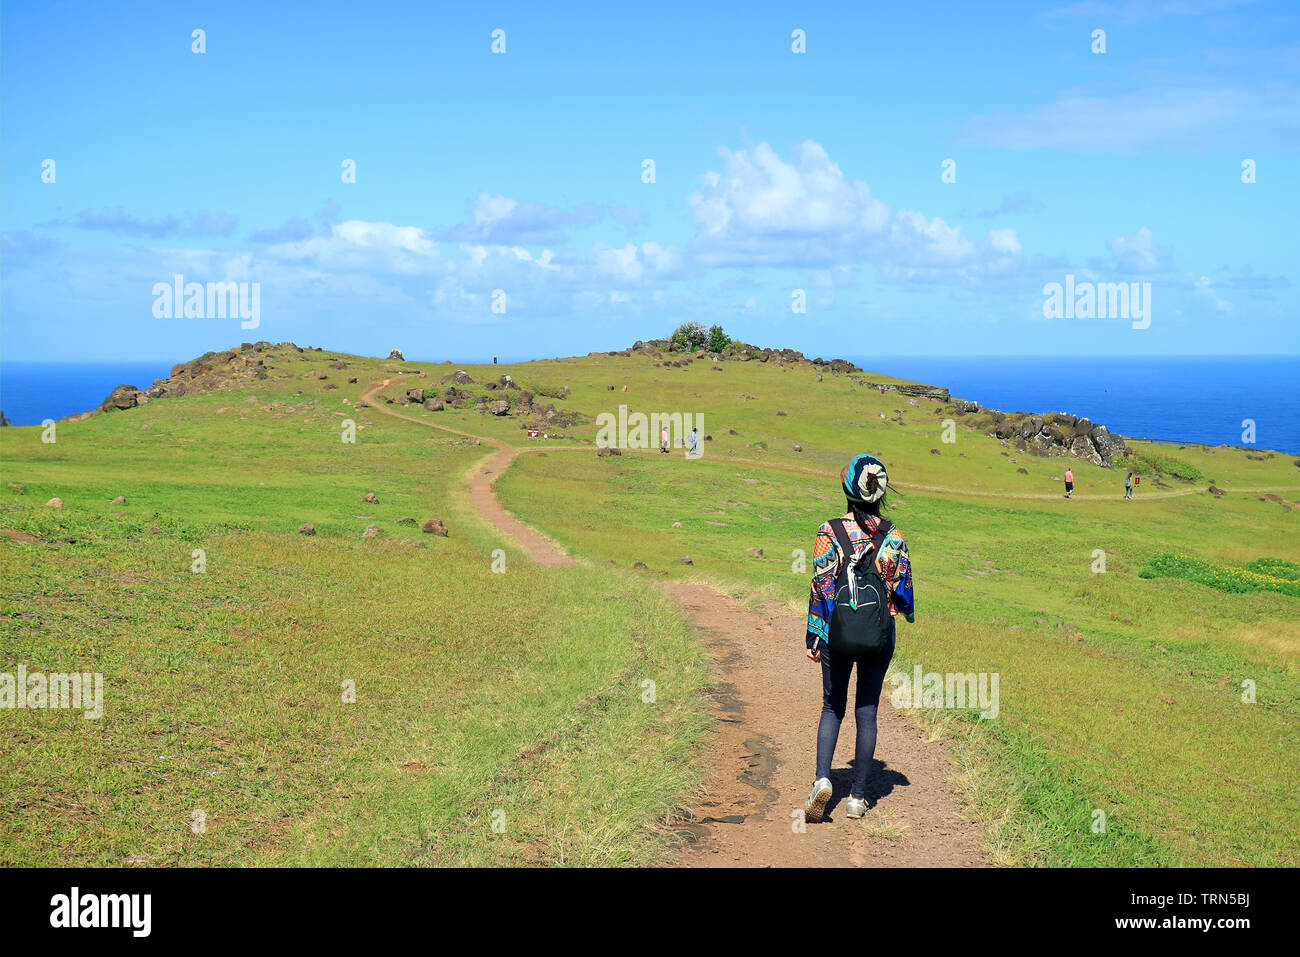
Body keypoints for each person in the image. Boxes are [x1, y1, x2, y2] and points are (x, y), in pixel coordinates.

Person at [803, 454, 914, 823]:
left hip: (838, 634)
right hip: (878, 636)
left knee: (832, 705)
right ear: (880, 492)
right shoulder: (894, 536)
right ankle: (858, 798)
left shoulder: (827, 531)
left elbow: (821, 587)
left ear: (848, 487)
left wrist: (815, 635)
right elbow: (903, 596)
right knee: (867, 711)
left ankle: (822, 779)